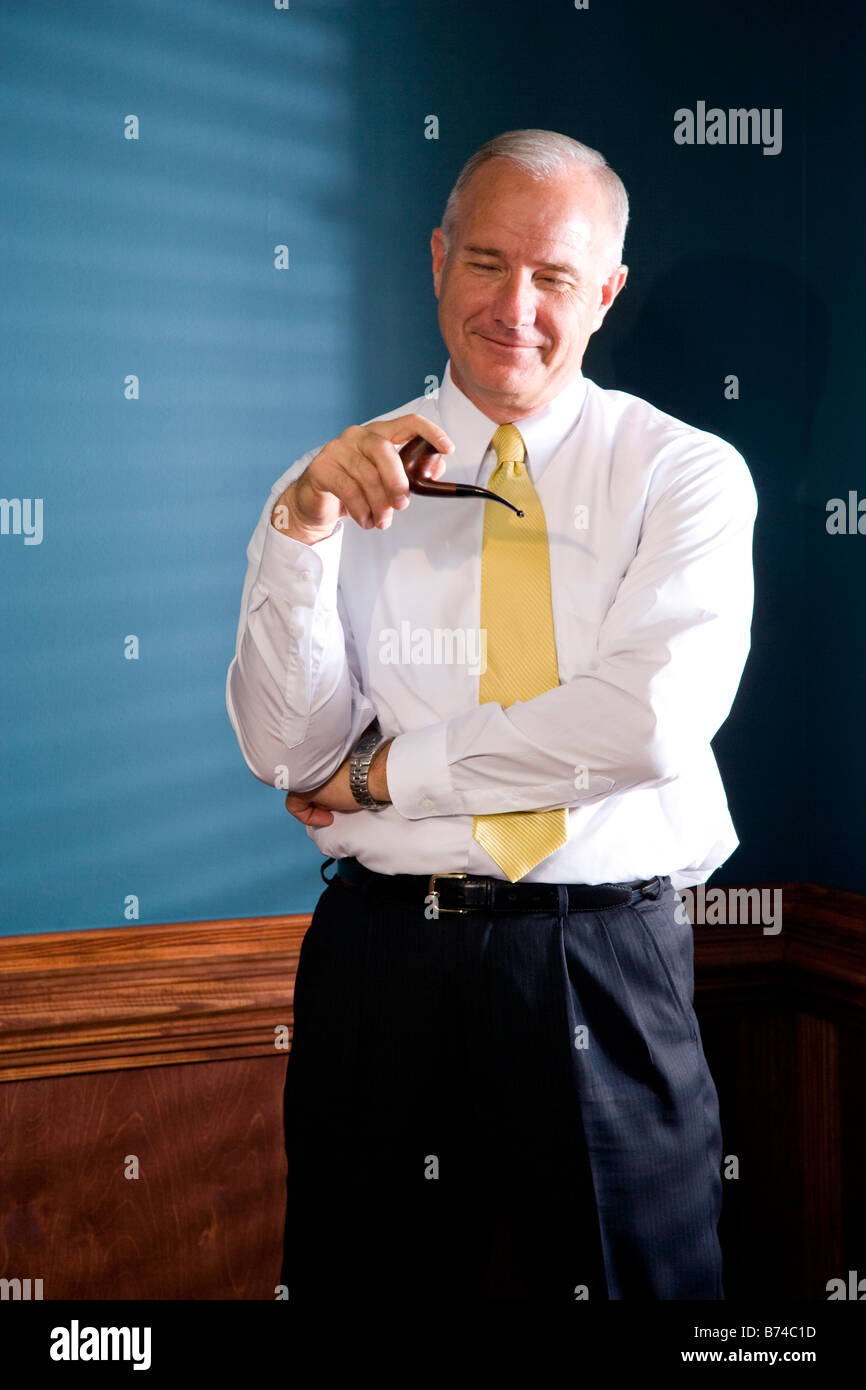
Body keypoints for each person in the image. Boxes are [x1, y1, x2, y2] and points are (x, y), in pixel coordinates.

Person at [226, 128, 757, 1302]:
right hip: (379, 967)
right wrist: (303, 526)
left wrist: (385, 775)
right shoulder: (331, 478)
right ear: (435, 261)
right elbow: (287, 749)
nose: (513, 306)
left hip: (598, 959)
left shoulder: (684, 474)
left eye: (554, 276)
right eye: (484, 262)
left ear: (605, 293)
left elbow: (641, 724)